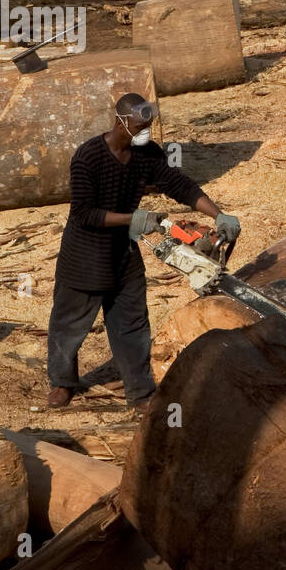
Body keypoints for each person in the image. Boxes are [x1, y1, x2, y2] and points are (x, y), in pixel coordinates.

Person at [46, 93, 240, 413]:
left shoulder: (146, 154)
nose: (144, 132)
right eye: (139, 126)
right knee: (68, 326)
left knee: (132, 325)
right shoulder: (88, 157)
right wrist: (131, 219)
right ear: (120, 121)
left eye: (148, 126)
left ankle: (139, 392)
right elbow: (83, 213)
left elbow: (179, 185)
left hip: (123, 254)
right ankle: (62, 382)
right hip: (84, 256)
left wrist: (217, 214)